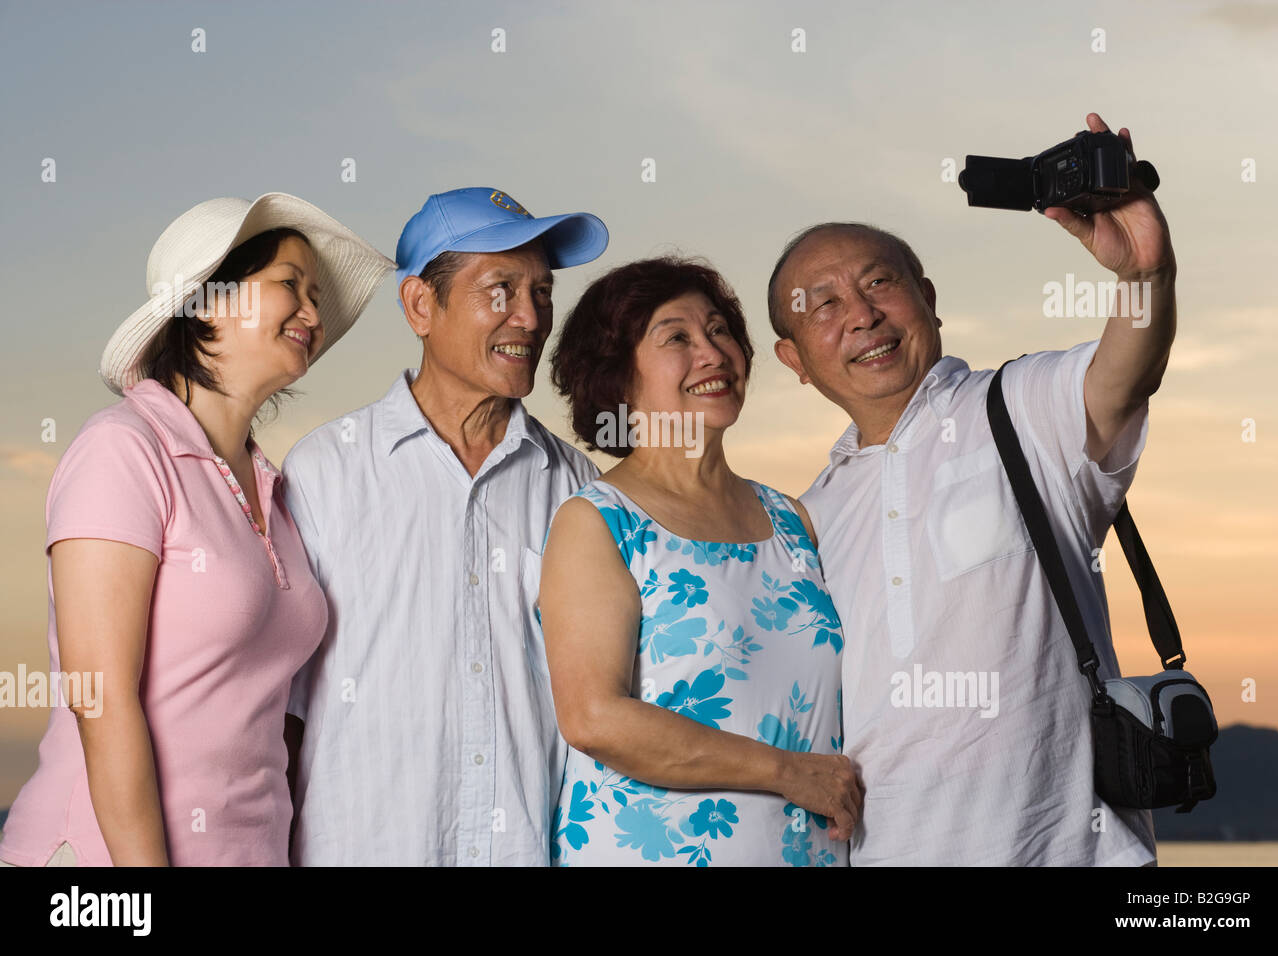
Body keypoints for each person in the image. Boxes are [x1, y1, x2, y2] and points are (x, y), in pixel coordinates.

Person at [767, 114, 1173, 865]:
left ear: (927, 298)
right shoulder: (807, 519)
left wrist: (1145, 276)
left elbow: (1126, 373)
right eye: (823, 304)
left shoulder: (1020, 408)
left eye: (880, 283)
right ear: (794, 359)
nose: (861, 315)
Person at [0, 193, 393, 866]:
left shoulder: (275, 490)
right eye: (289, 287)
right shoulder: (123, 450)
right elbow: (102, 702)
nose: (312, 311)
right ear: (205, 303)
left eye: (317, 295)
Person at [282, 187, 608, 866]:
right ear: (421, 306)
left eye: (543, 293)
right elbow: (279, 704)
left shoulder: (580, 489)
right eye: (501, 289)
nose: (530, 317)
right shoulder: (323, 473)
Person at [543, 256, 862, 867]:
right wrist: (788, 772)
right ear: (618, 377)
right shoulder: (598, 521)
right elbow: (593, 717)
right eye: (677, 338)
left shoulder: (792, 519)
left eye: (719, 331)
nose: (713, 353)